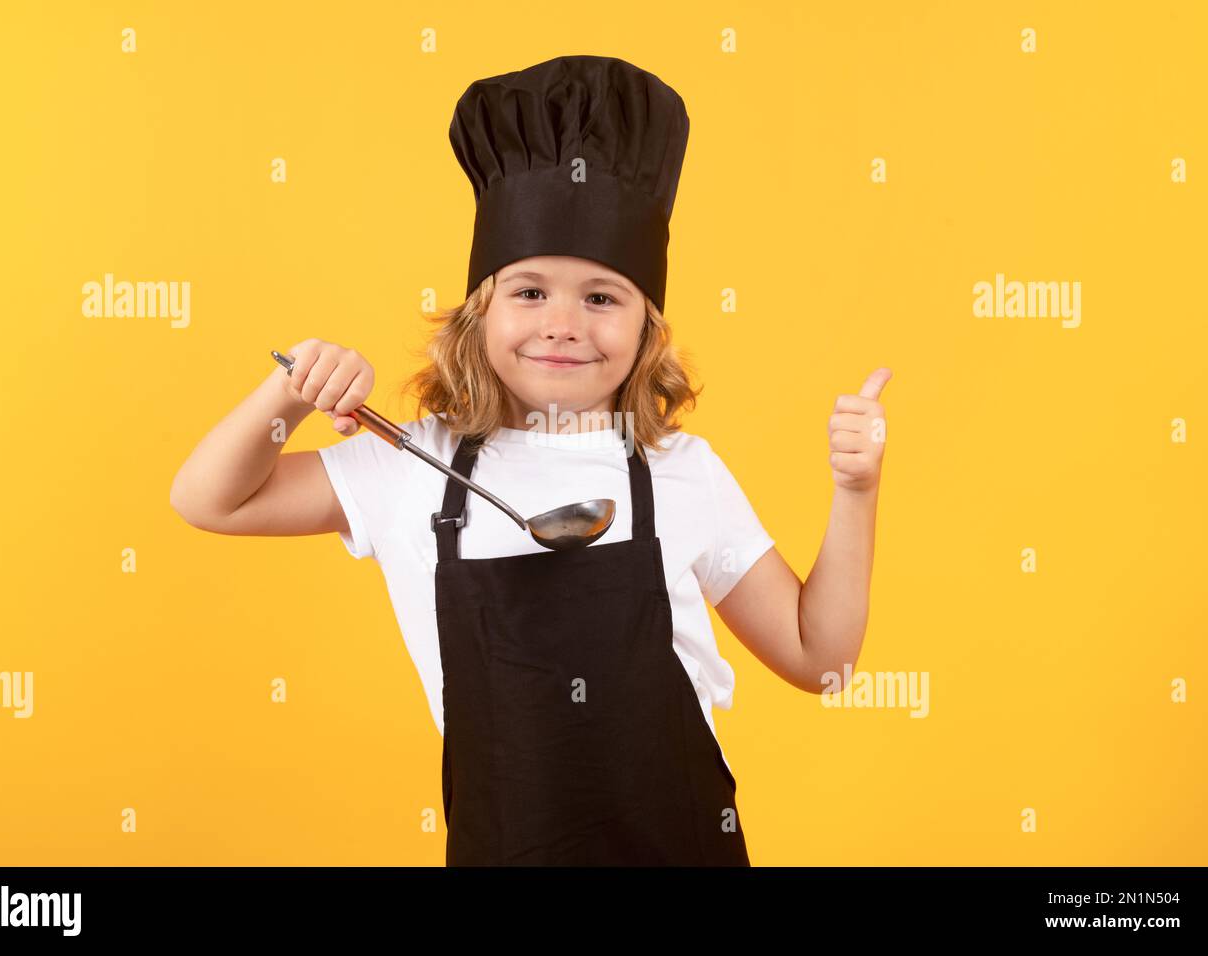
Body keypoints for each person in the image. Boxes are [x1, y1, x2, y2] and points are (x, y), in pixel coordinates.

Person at [169, 55, 891, 866]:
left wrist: (854, 489)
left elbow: (818, 660)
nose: (563, 323)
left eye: (602, 297)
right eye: (530, 291)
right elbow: (209, 501)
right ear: (480, 313)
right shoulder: (414, 465)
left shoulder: (683, 472)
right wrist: (290, 391)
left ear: (648, 327)